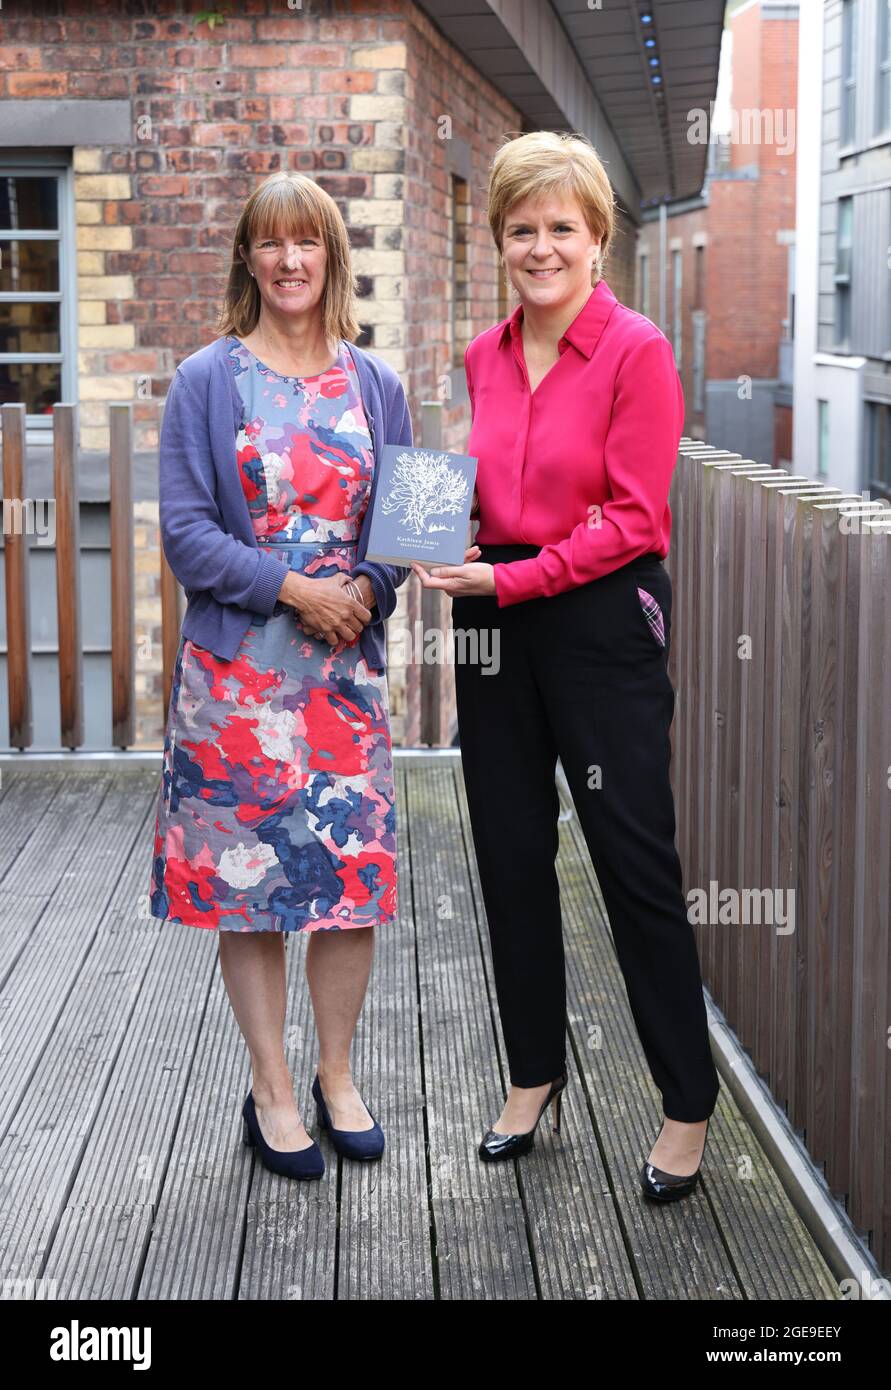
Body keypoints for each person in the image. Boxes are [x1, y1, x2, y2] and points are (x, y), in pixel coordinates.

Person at [148, 172, 477, 1181]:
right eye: (271, 243)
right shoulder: (207, 381)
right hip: (236, 689)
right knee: (248, 895)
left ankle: (338, 1076)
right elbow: (190, 539)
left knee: (347, 886)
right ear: (246, 259)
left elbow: (416, 520)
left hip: (342, 686)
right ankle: (273, 1088)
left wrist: (366, 593)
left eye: (310, 243)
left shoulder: (376, 383)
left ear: (333, 257)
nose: (292, 261)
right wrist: (299, 588)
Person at [412, 131, 719, 1202]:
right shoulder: (482, 356)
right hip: (493, 615)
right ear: (499, 240)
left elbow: (634, 520)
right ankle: (533, 1074)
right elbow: (485, 489)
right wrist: (440, 531)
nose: (540, 247)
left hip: (595, 618)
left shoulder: (637, 350)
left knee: (632, 859)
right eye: (520, 229)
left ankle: (686, 1102)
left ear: (596, 239)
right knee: (506, 849)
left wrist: (512, 578)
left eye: (560, 228)